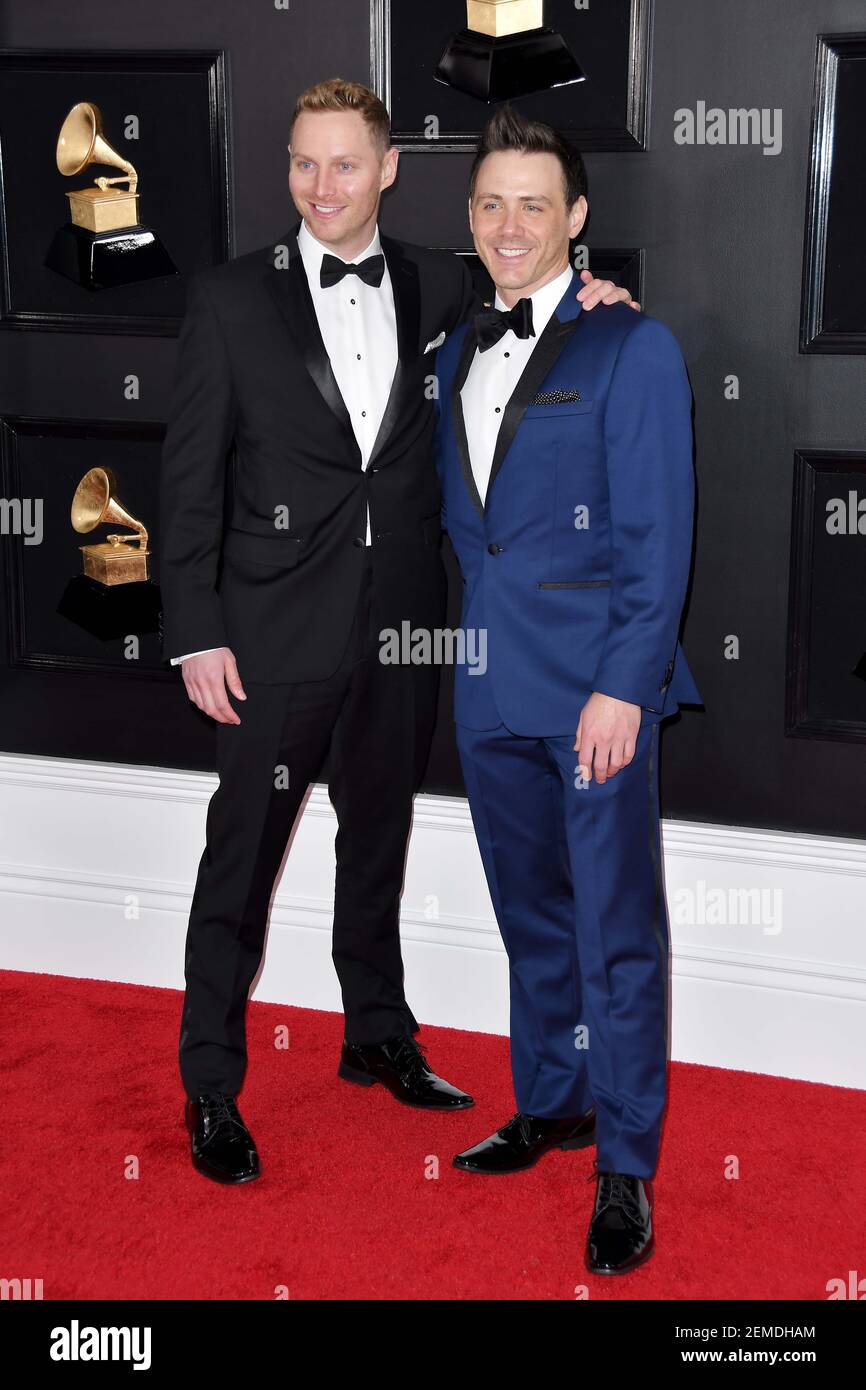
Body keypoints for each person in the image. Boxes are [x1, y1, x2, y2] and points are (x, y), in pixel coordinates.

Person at [159, 78, 636, 1185]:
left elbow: (530, 320)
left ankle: (376, 1031)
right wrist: (194, 631)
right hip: (268, 637)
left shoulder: (437, 282)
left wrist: (591, 297)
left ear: (385, 170)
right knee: (239, 867)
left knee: (374, 843)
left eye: (341, 164)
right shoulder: (231, 299)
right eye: (300, 163)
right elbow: (184, 485)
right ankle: (210, 1087)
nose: (318, 187)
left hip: (405, 633)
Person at [435, 105, 701, 1274]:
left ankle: (626, 1167)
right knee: (529, 916)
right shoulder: (454, 349)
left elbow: (656, 539)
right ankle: (554, 1100)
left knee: (615, 930)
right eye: (490, 202)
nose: (507, 224)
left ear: (575, 219)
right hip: (487, 686)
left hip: (595, 694)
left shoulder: (629, 346)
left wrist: (624, 690)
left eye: (531, 204)